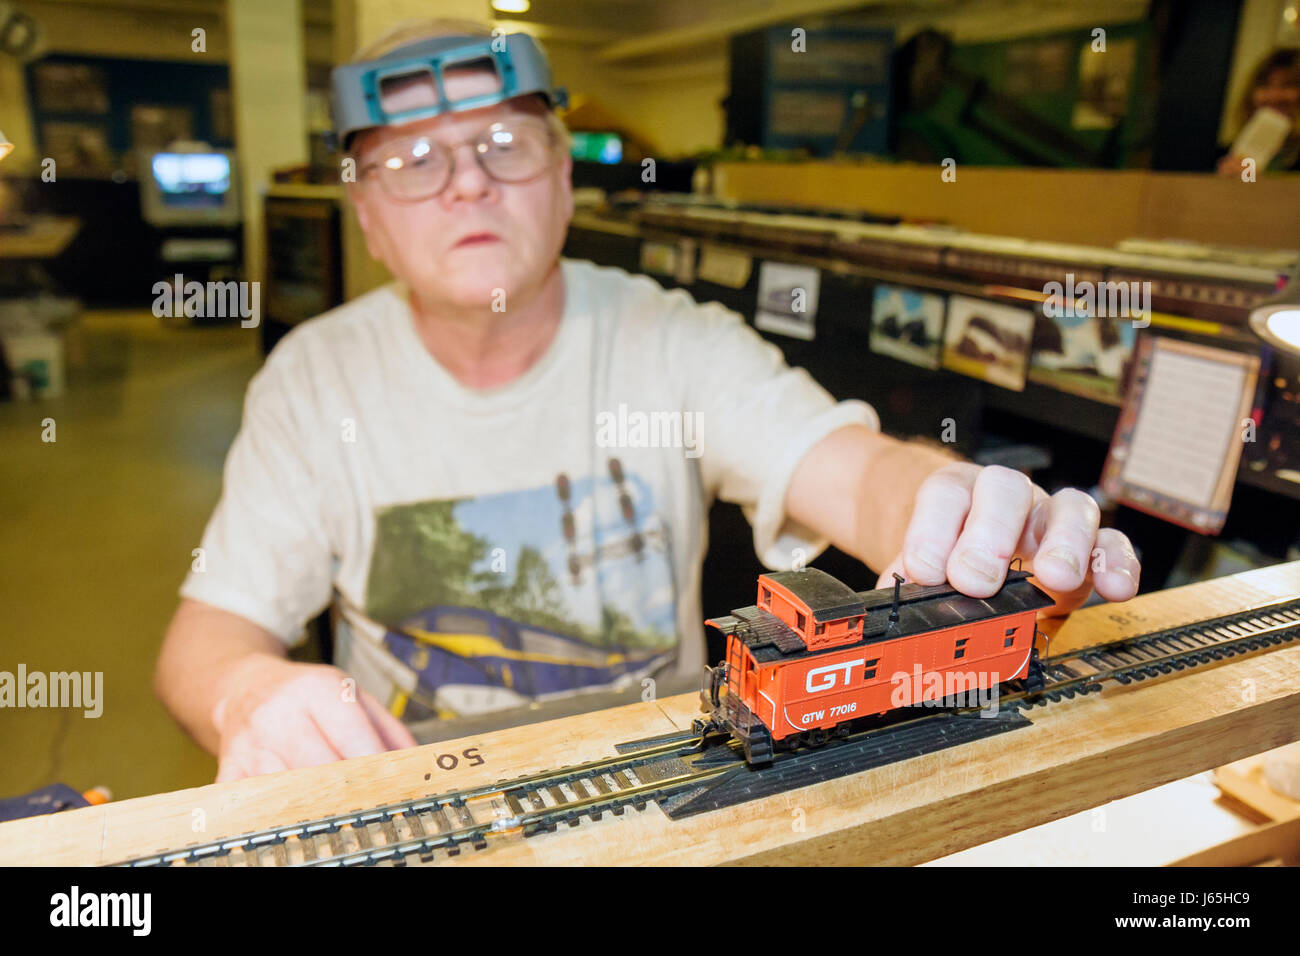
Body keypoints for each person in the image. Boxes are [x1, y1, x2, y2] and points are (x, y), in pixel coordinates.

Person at [154, 19, 1141, 783]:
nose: (467, 185)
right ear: (365, 214)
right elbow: (205, 641)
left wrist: (955, 506)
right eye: (412, 161)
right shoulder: (315, 378)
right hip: (428, 801)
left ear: (563, 178)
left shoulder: (670, 338)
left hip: (660, 791)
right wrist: (251, 693)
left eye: (505, 142)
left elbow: (854, 468)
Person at [1216, 48, 1300, 176]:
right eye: (1265, 85)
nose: (1273, 96)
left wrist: (1261, 185)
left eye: (1288, 85)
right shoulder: (1231, 150)